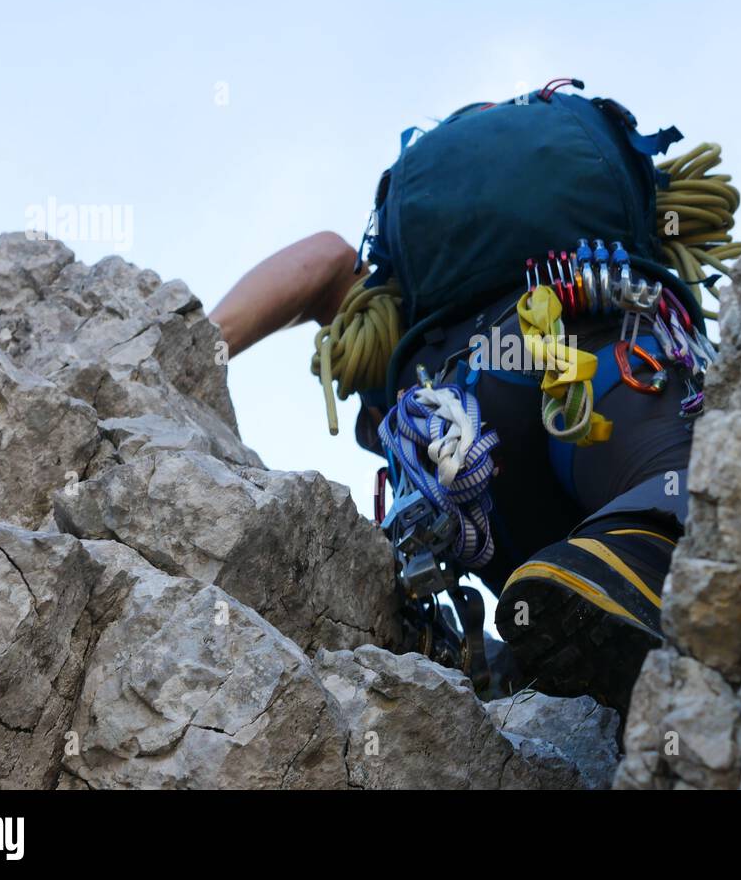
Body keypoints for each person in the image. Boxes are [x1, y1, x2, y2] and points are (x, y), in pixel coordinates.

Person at [211, 232, 693, 711]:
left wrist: (199, 344)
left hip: (453, 427)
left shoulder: (401, 301)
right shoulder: (598, 220)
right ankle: (643, 549)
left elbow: (325, 256)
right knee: (679, 496)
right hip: (590, 352)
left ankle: (545, 654)